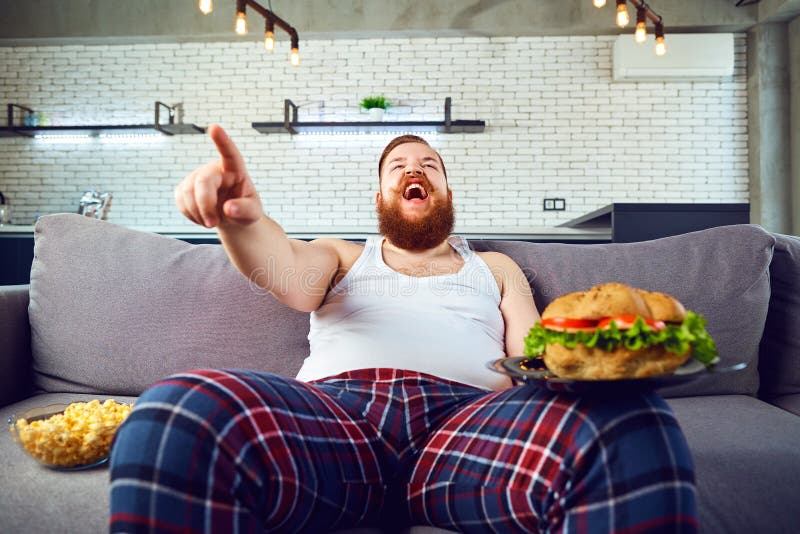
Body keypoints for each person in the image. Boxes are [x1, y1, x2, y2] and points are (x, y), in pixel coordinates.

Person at [109, 126, 698, 533]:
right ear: (381, 195)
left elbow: (540, 359)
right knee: (173, 414)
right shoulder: (341, 254)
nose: (414, 171)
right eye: (399, 167)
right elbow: (285, 275)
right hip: (335, 421)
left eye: (429, 167)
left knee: (632, 422)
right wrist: (242, 222)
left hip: (467, 426)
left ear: (446, 192)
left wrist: (616, 357)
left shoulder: (495, 268)